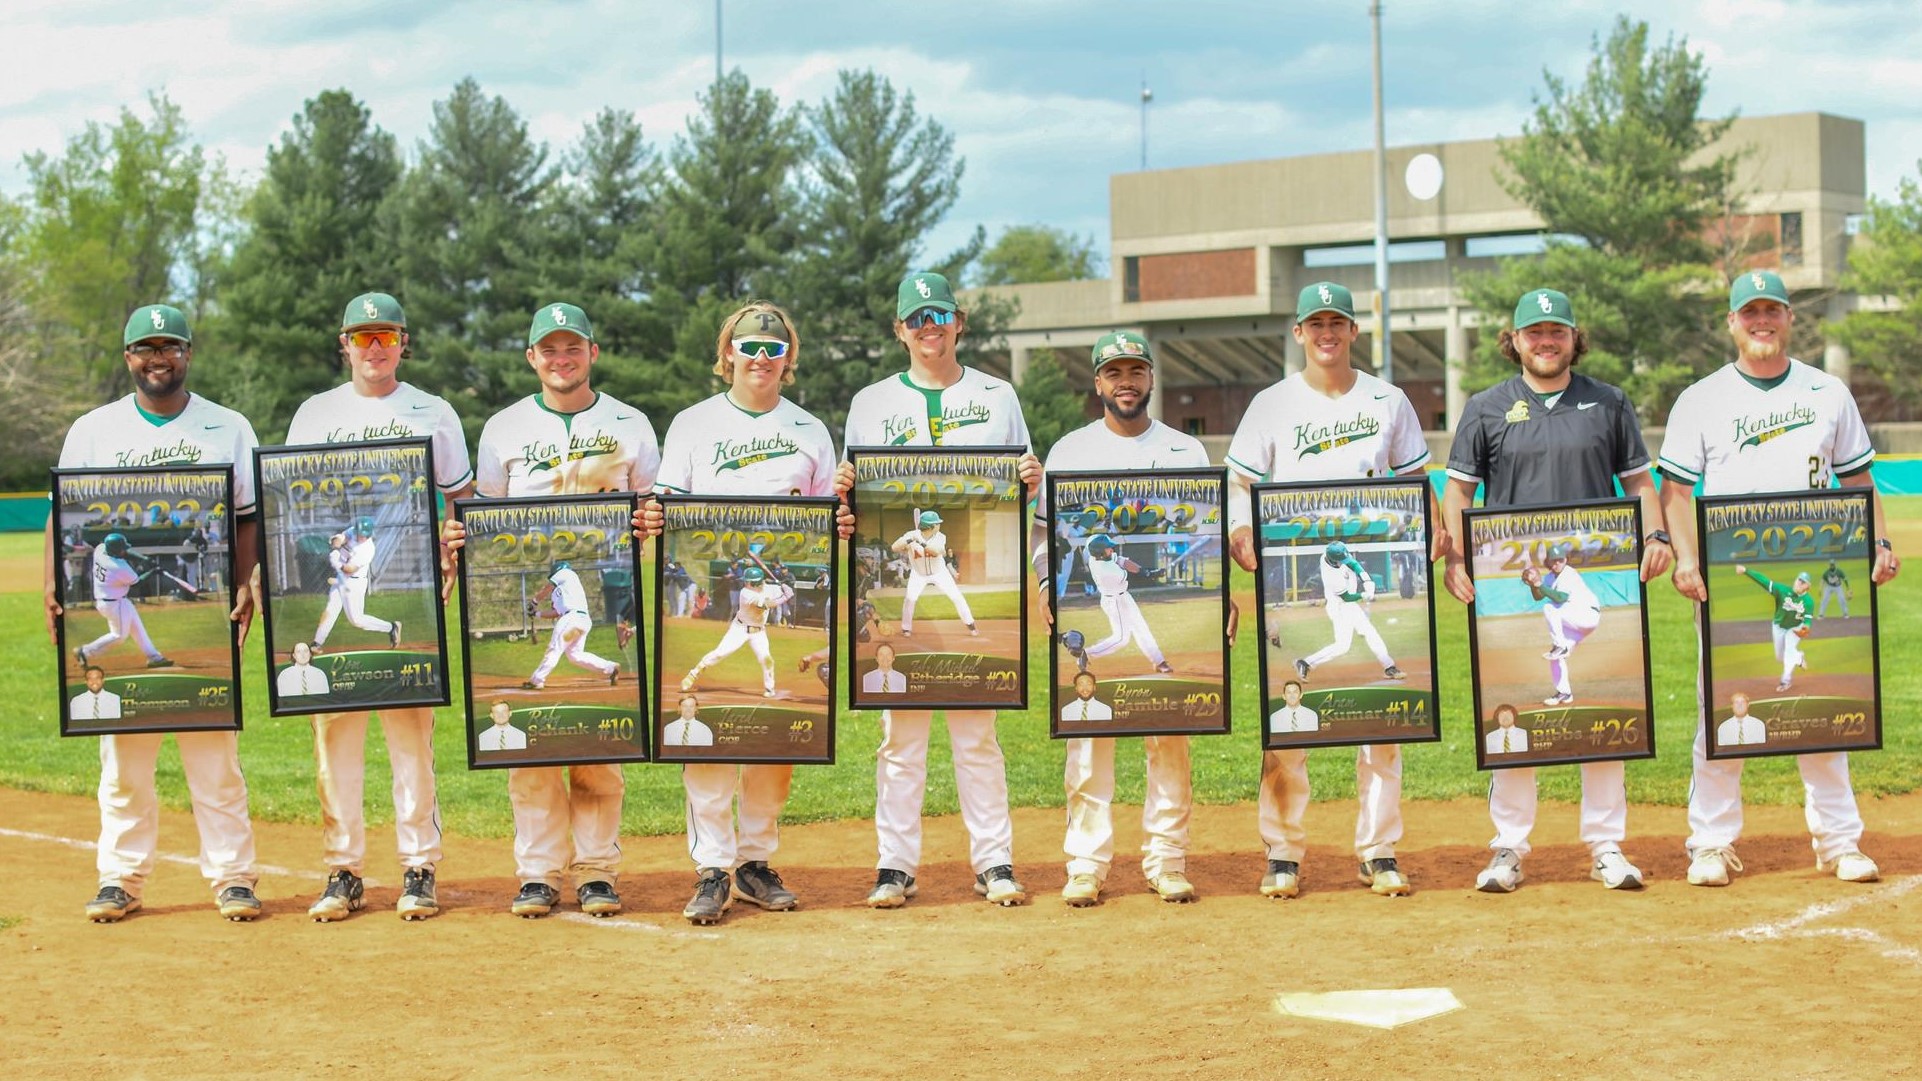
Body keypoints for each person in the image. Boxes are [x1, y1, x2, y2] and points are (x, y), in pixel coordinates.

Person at [1658, 269, 1896, 887]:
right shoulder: (1702, 398)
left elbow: (1858, 482)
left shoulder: (1828, 391)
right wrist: (1686, 559)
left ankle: (1839, 841)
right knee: (1723, 706)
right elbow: (1677, 492)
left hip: (1816, 563)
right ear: (1731, 323)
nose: (1762, 321)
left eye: (1773, 310)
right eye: (1750, 312)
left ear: (1790, 318)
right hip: (1732, 573)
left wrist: (1882, 540)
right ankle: (1710, 843)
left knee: (1824, 712)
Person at [1442, 287, 1673, 894]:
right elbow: (1459, 493)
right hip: (1508, 582)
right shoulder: (1487, 408)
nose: (1546, 341)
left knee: (1604, 712)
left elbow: (1641, 483)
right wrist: (1455, 557)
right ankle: (1508, 849)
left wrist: (1655, 533)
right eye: (1534, 332)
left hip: (1595, 574)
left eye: (1557, 331)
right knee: (1511, 706)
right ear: (1514, 340)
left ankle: (1606, 845)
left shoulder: (1608, 402)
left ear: (1574, 337)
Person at [46, 303, 263, 922]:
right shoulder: (94, 430)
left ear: (189, 354)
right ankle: (120, 878)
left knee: (215, 756)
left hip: (220, 610)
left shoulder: (228, 427)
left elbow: (247, 516)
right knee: (122, 760)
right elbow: (61, 514)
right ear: (128, 359)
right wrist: (48, 587)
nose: (158, 358)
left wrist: (245, 582)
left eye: (170, 347)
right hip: (110, 580)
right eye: (146, 348)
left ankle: (232, 878)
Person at [1225, 282, 1442, 901]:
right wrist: (1241, 526)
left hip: (1367, 550)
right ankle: (1284, 853)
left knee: (1379, 721)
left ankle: (1379, 850)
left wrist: (1434, 525)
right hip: (1298, 558)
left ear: (1353, 331)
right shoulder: (1271, 404)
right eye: (1315, 323)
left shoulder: (1387, 399)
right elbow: (1239, 481)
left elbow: (1413, 480)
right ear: (1298, 333)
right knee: (1287, 724)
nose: (1326, 333)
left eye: (1337, 323)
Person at [446, 301, 656, 919]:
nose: (561, 359)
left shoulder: (630, 423)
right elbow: (485, 515)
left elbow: (650, 513)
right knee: (530, 755)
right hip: (553, 569)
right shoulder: (504, 427)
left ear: (592, 353)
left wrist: (649, 523)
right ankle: (537, 873)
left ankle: (596, 872)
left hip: (608, 577)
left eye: (573, 348)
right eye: (549, 349)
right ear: (532, 357)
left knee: (601, 749)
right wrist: (464, 536)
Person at [839, 271, 1041, 910]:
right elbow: (857, 502)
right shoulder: (870, 401)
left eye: (939, 314)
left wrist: (1031, 478)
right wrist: (847, 488)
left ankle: (995, 861)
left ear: (958, 321)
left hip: (944, 550)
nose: (929, 326)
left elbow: (1022, 492)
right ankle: (894, 867)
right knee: (901, 741)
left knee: (977, 735)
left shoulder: (998, 394)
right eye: (916, 317)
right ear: (900, 330)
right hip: (915, 558)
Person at [643, 300, 840, 926]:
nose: (761, 358)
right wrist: (653, 519)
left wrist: (840, 524)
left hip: (768, 577)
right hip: (727, 584)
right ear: (727, 353)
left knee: (773, 744)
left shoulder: (810, 430)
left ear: (789, 359)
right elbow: (667, 511)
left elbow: (828, 522)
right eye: (749, 347)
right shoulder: (692, 425)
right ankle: (711, 867)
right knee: (706, 743)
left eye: (774, 349)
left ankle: (754, 862)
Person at [287, 292, 474, 922]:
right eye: (362, 336)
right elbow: (292, 500)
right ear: (343, 343)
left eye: (385, 335)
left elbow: (459, 499)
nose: (374, 347)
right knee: (334, 736)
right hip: (338, 574)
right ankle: (343, 871)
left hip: (411, 586)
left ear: (402, 342)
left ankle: (419, 865)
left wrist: (453, 548)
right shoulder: (314, 415)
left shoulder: (433, 411)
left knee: (409, 738)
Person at [1032, 331, 1210, 907]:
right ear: (1098, 383)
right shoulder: (1070, 453)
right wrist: (1042, 581)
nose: (1125, 381)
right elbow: (1042, 533)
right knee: (1088, 737)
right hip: (1108, 593)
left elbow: (1203, 530)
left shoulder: (1187, 452)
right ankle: (1086, 862)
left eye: (1135, 370)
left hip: (1136, 591)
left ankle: (1168, 858)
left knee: (1172, 732)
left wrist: (1221, 590)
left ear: (1152, 378)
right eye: (1113, 372)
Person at [1292, 539, 1405, 684]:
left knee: (1370, 633)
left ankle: (1389, 667)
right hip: (1340, 607)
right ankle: (1305, 663)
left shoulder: (1332, 554)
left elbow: (1354, 564)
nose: (1345, 561)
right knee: (1342, 647)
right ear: (1333, 561)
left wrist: (1367, 581)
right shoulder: (1333, 577)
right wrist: (1363, 595)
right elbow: (1347, 597)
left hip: (1349, 606)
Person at [680, 564, 791, 698]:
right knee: (720, 653)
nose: (745, 583)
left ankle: (770, 688)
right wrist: (785, 597)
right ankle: (693, 674)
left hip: (759, 632)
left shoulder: (770, 588)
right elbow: (767, 604)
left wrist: (786, 587)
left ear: (756, 583)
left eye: (748, 581)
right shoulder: (746, 593)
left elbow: (781, 591)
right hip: (740, 629)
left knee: (767, 659)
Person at [1072, 532, 1174, 674]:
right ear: (1100, 552)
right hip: (1114, 602)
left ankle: (1159, 661)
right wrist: (1149, 574)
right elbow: (1132, 576)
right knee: (1121, 639)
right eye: (1108, 548)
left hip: (1123, 597)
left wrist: (1146, 572)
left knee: (1141, 628)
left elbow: (1122, 560)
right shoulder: (1107, 570)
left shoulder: (1095, 558)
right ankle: (1086, 654)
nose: (1111, 549)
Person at [72, 533, 172, 669]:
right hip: (113, 604)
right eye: (121, 548)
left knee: (137, 628)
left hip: (113, 601)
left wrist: (144, 559)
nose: (124, 551)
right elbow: (136, 584)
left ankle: (154, 657)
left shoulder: (100, 550)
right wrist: (153, 571)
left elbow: (124, 552)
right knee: (118, 636)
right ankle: (85, 651)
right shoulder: (118, 567)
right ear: (115, 550)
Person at [1523, 544, 1602, 705]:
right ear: (1549, 562)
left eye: (1561, 559)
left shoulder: (1569, 574)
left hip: (1587, 614)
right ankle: (1564, 693)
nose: (1558, 563)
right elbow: (1538, 596)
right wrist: (1534, 584)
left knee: (1550, 607)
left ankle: (1560, 645)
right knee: (1555, 658)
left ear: (1566, 560)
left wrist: (1540, 585)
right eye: (1555, 560)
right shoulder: (1551, 577)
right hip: (1575, 622)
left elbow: (1559, 598)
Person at [524, 560, 621, 691]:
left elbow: (547, 587)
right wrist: (536, 613)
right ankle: (610, 668)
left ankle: (537, 680)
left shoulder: (567, 573)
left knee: (554, 649)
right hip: (580, 622)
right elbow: (556, 613)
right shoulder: (562, 591)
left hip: (572, 619)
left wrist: (534, 601)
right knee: (575, 655)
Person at [311, 517, 399, 652]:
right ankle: (317, 643)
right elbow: (339, 539)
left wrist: (337, 563)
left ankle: (391, 627)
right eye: (359, 533)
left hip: (354, 583)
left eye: (364, 535)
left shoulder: (368, 549)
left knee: (356, 620)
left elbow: (350, 569)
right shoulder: (353, 531)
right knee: (331, 609)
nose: (360, 536)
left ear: (369, 534)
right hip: (340, 579)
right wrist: (335, 548)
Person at [892, 511, 976, 636]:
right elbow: (894, 547)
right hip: (918, 574)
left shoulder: (941, 537)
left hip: (939, 573)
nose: (939, 525)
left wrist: (921, 542)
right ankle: (906, 628)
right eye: (937, 524)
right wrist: (909, 540)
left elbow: (936, 552)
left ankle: (970, 624)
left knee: (956, 596)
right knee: (910, 599)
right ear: (930, 526)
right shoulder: (911, 535)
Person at [1734, 565, 1815, 693]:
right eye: (1799, 580)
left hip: (1794, 628)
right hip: (1778, 626)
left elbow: (1808, 619)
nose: (1799, 583)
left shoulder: (1808, 601)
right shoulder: (1781, 590)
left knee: (1789, 651)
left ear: (1807, 587)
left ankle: (1785, 681)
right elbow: (1764, 581)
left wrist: (1806, 626)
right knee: (1779, 656)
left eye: (1803, 582)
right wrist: (1746, 571)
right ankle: (1798, 658)